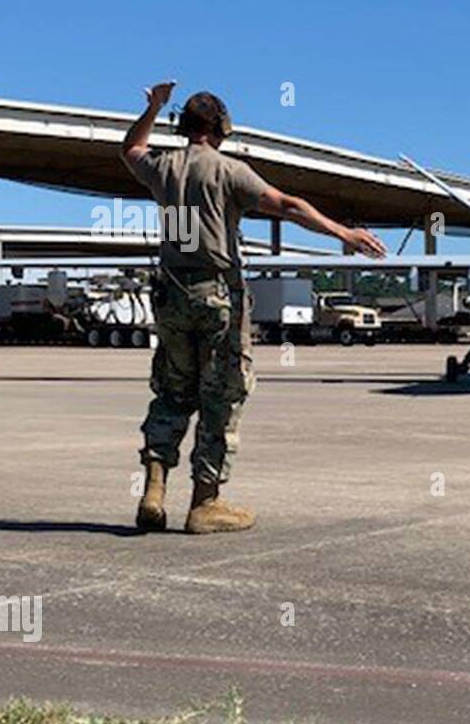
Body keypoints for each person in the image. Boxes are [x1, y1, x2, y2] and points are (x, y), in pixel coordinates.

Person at [121, 81, 385, 534]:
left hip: (171, 298)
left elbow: (131, 147)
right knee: (221, 395)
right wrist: (343, 233)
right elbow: (287, 204)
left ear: (184, 127)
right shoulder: (228, 171)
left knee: (172, 391)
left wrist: (153, 108)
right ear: (221, 128)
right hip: (218, 298)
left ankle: (154, 489)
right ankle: (205, 502)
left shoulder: (162, 168)